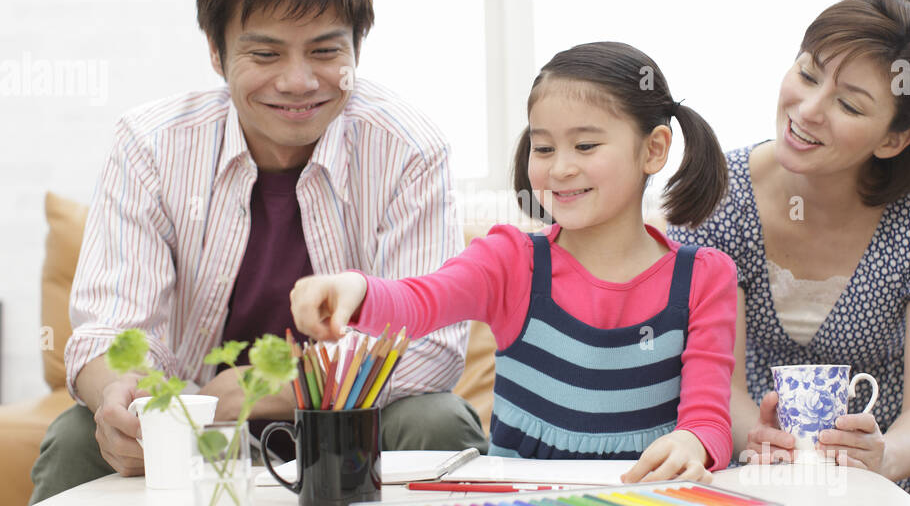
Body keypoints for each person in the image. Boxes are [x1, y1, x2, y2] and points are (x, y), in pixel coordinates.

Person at [29, 0, 486, 504]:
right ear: (218, 56)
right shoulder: (149, 144)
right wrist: (121, 396)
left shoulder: (408, 149)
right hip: (193, 419)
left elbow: (428, 347)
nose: (298, 82)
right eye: (265, 54)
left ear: (356, 51)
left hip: (348, 418)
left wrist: (268, 387)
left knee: (437, 422)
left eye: (325, 52)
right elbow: (111, 331)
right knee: (76, 437)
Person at [290, 42, 738, 483]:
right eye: (543, 148)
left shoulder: (703, 277)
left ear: (654, 150)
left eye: (585, 145)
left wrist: (691, 444)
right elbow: (418, 301)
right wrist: (355, 289)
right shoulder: (511, 261)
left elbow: (709, 420)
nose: (559, 168)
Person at [668, 0, 910, 506]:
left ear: (892, 140)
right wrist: (756, 438)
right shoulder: (719, 193)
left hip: (887, 479)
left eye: (848, 105)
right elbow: (717, 381)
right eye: (808, 73)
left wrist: (883, 456)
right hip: (753, 464)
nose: (808, 110)